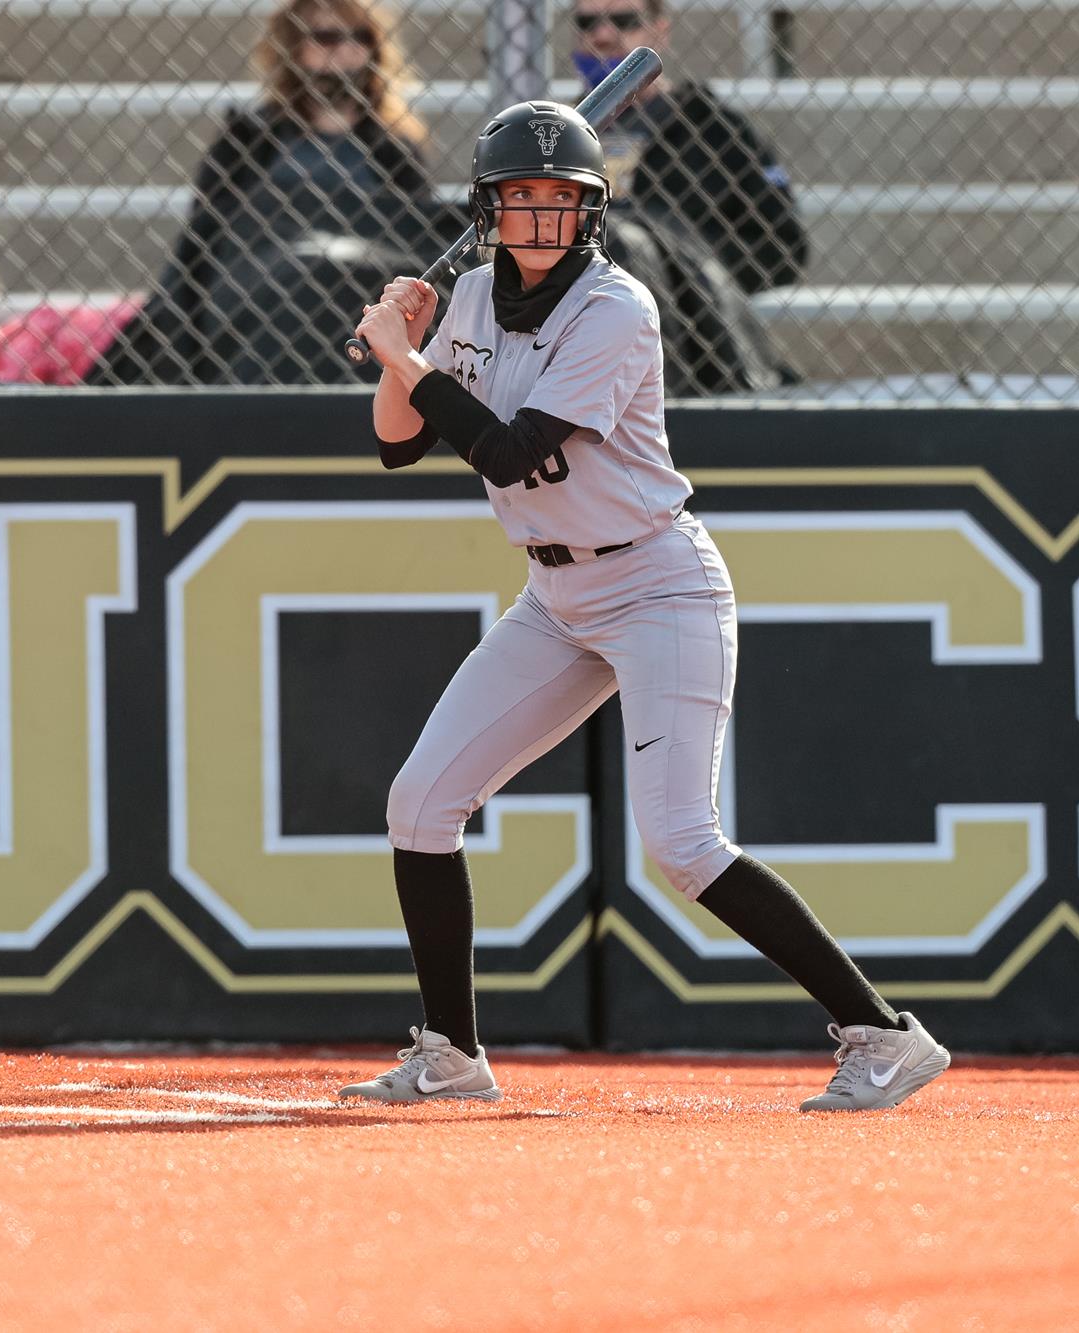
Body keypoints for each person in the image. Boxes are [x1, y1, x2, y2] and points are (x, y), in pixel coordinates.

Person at [343, 101, 949, 1111]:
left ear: (590, 210)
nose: (540, 215)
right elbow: (398, 442)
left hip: (656, 582)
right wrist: (406, 345)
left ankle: (882, 1036)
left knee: (680, 843)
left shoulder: (618, 308)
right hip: (554, 592)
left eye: (560, 198)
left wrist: (405, 361)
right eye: (522, 196)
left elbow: (511, 450)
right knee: (419, 805)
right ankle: (450, 1054)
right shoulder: (472, 300)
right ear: (488, 208)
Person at [87, 0, 441, 385]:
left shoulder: (393, 150)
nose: (346, 50)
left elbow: (413, 242)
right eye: (326, 36)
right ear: (294, 46)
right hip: (261, 311)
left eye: (360, 37)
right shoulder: (250, 139)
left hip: (357, 307)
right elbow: (206, 240)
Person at [571, 0, 807, 296]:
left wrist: (677, 273)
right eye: (587, 24)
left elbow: (784, 246)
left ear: (660, 32)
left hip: (674, 318)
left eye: (624, 20)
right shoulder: (558, 130)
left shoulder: (712, 127)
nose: (602, 35)